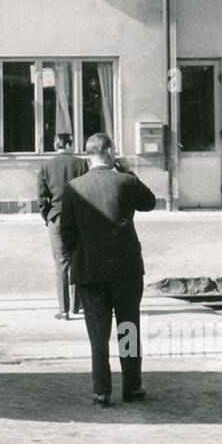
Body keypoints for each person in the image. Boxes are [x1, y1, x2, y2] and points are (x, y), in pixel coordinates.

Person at [59, 133, 156, 407]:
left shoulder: (73, 187)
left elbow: (66, 232)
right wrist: (128, 170)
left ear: (88, 154)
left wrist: (80, 258)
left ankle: (101, 391)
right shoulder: (125, 181)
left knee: (98, 334)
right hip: (126, 270)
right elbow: (149, 202)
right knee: (128, 328)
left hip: (90, 272)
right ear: (110, 152)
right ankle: (132, 386)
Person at [37, 131, 87, 318]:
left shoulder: (46, 166)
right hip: (77, 218)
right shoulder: (81, 164)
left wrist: (48, 216)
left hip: (56, 217)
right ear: (68, 144)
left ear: (55, 145)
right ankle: (76, 305)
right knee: (77, 261)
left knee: (61, 264)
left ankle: (63, 310)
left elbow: (41, 198)